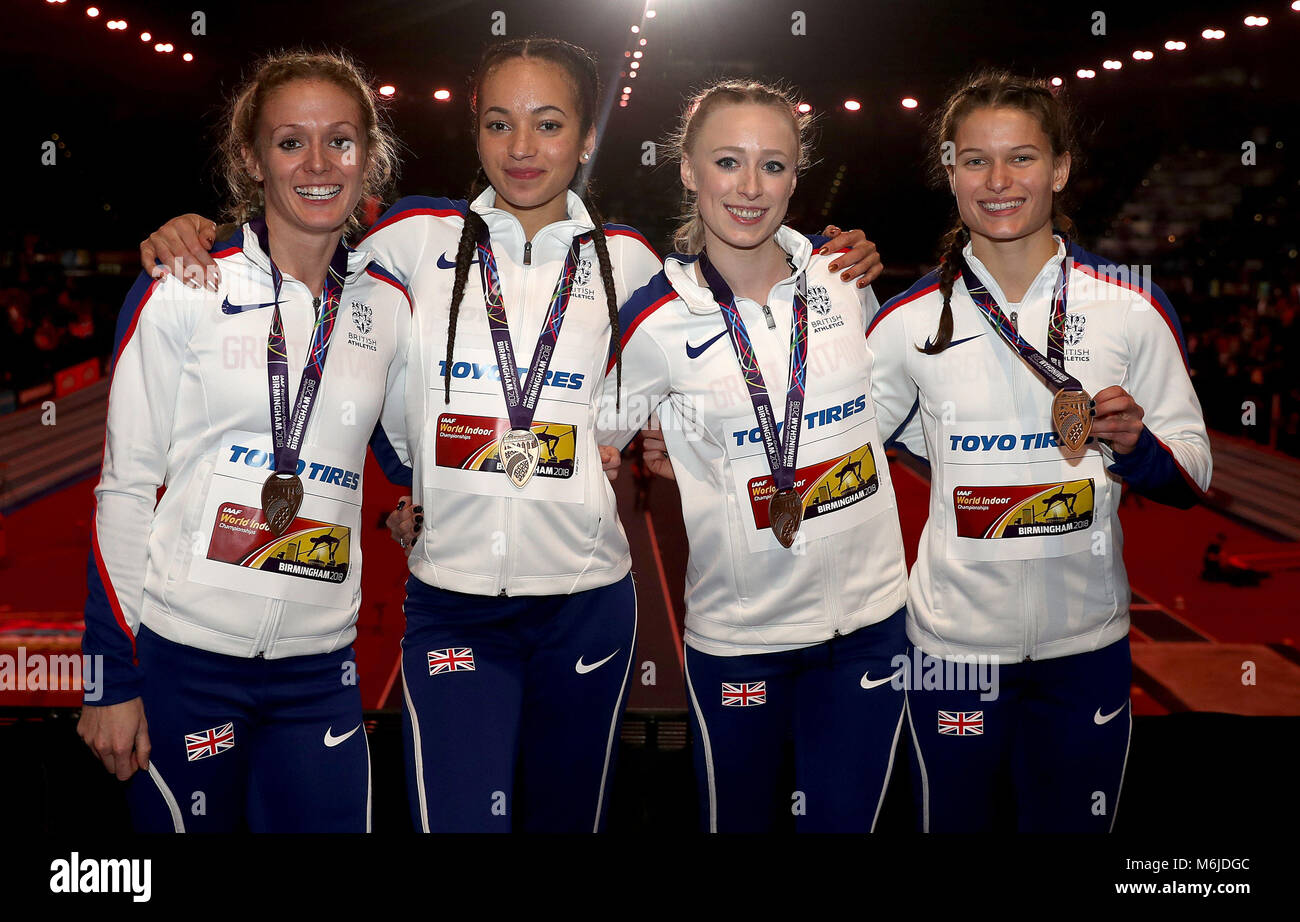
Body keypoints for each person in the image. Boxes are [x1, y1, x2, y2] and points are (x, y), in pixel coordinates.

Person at [143, 41, 882, 833]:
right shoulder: (411, 240)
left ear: (588, 137)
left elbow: (695, 374)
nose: (523, 148)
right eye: (500, 124)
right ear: (477, 132)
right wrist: (201, 231)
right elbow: (306, 242)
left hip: (587, 605)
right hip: (454, 608)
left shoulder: (631, 263)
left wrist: (674, 439)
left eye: (549, 123)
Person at [865, 71, 1213, 832]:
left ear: (1058, 169)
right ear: (949, 169)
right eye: (976, 160)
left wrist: (1134, 445)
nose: (998, 182)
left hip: (1085, 645)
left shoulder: (1131, 307)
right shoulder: (904, 322)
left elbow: (1194, 471)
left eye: (1021, 158)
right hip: (950, 647)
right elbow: (853, 438)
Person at [79, 50, 411, 832]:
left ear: (371, 157)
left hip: (319, 674)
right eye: (291, 141)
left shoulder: (390, 305)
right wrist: (108, 679)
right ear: (251, 161)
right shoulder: (184, 285)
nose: (319, 162)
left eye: (342, 140)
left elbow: (404, 451)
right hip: (185, 665)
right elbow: (124, 489)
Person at [593, 80, 911, 833]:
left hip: (870, 623)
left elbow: (889, 417)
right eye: (727, 161)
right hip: (741, 643)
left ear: (797, 176)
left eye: (773, 165)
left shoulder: (846, 278)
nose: (749, 187)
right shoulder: (656, 320)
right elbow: (583, 444)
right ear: (688, 170)